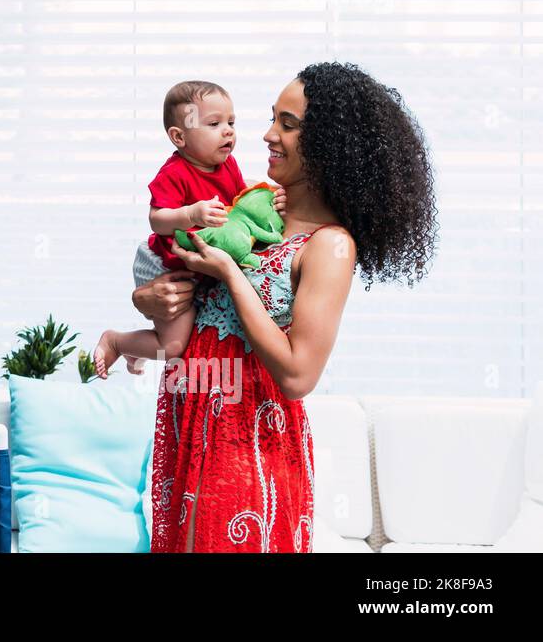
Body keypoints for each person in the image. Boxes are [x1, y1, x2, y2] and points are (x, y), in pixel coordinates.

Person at [130, 62, 437, 552]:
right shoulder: (248, 211)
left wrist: (231, 275)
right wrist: (147, 298)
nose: (268, 134)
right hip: (190, 423)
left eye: (288, 125)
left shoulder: (330, 246)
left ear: (331, 146)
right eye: (273, 118)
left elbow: (297, 375)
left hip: (247, 441)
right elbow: (193, 306)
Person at [93, 80, 284, 377]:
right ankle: (118, 342)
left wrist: (266, 192)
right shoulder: (174, 173)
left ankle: (137, 354)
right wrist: (189, 213)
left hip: (194, 265)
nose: (228, 130)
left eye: (231, 122)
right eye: (214, 123)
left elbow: (238, 196)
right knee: (173, 347)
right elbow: (157, 219)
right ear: (179, 137)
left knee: (189, 334)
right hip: (160, 263)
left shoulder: (228, 164)